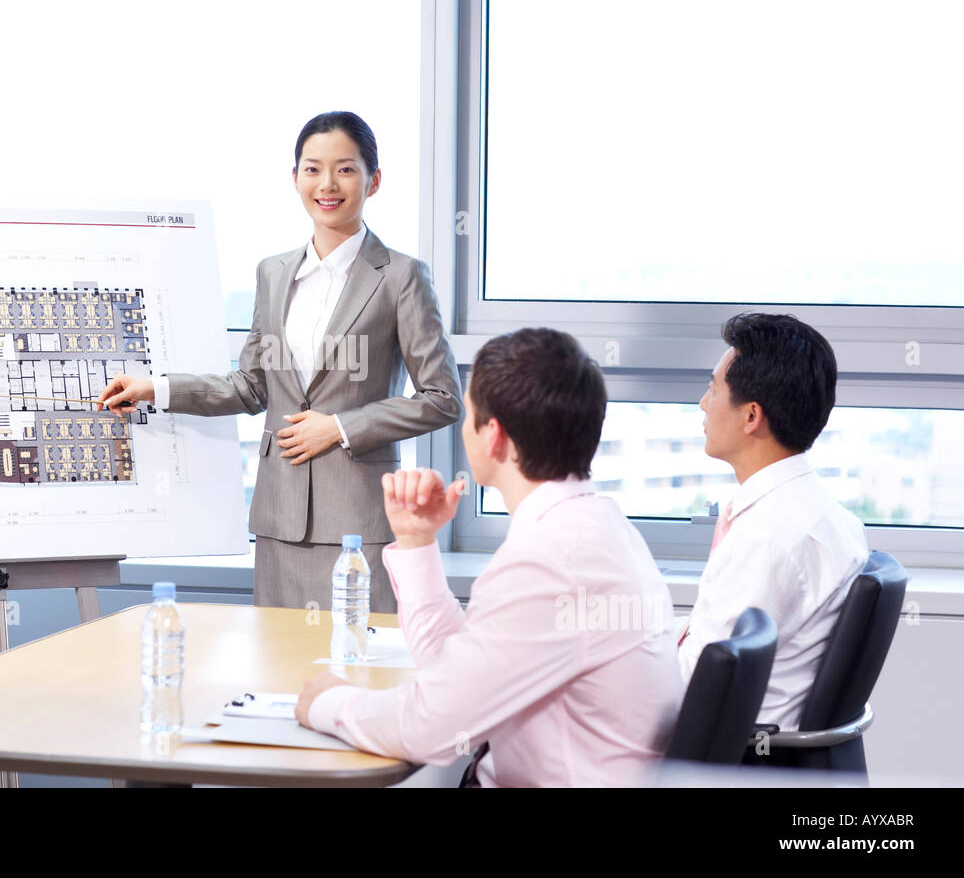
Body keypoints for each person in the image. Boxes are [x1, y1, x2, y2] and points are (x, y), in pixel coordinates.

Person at [97, 111, 460, 612]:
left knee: (364, 667)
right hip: (280, 518)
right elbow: (251, 386)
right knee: (279, 675)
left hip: (360, 518)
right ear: (295, 179)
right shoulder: (273, 274)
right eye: (312, 169)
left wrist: (339, 426)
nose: (327, 184)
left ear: (373, 181)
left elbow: (442, 400)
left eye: (346, 169)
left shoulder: (401, 276)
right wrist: (155, 389)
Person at [295, 328, 682, 787]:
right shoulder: (599, 529)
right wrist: (417, 540)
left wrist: (328, 702)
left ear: (493, 435)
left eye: (469, 415)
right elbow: (456, 673)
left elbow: (428, 727)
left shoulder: (549, 562)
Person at [680, 312, 868, 730]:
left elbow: (696, 684)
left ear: (751, 416)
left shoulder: (769, 539)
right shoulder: (821, 514)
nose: (702, 404)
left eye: (713, 390)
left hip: (734, 756)